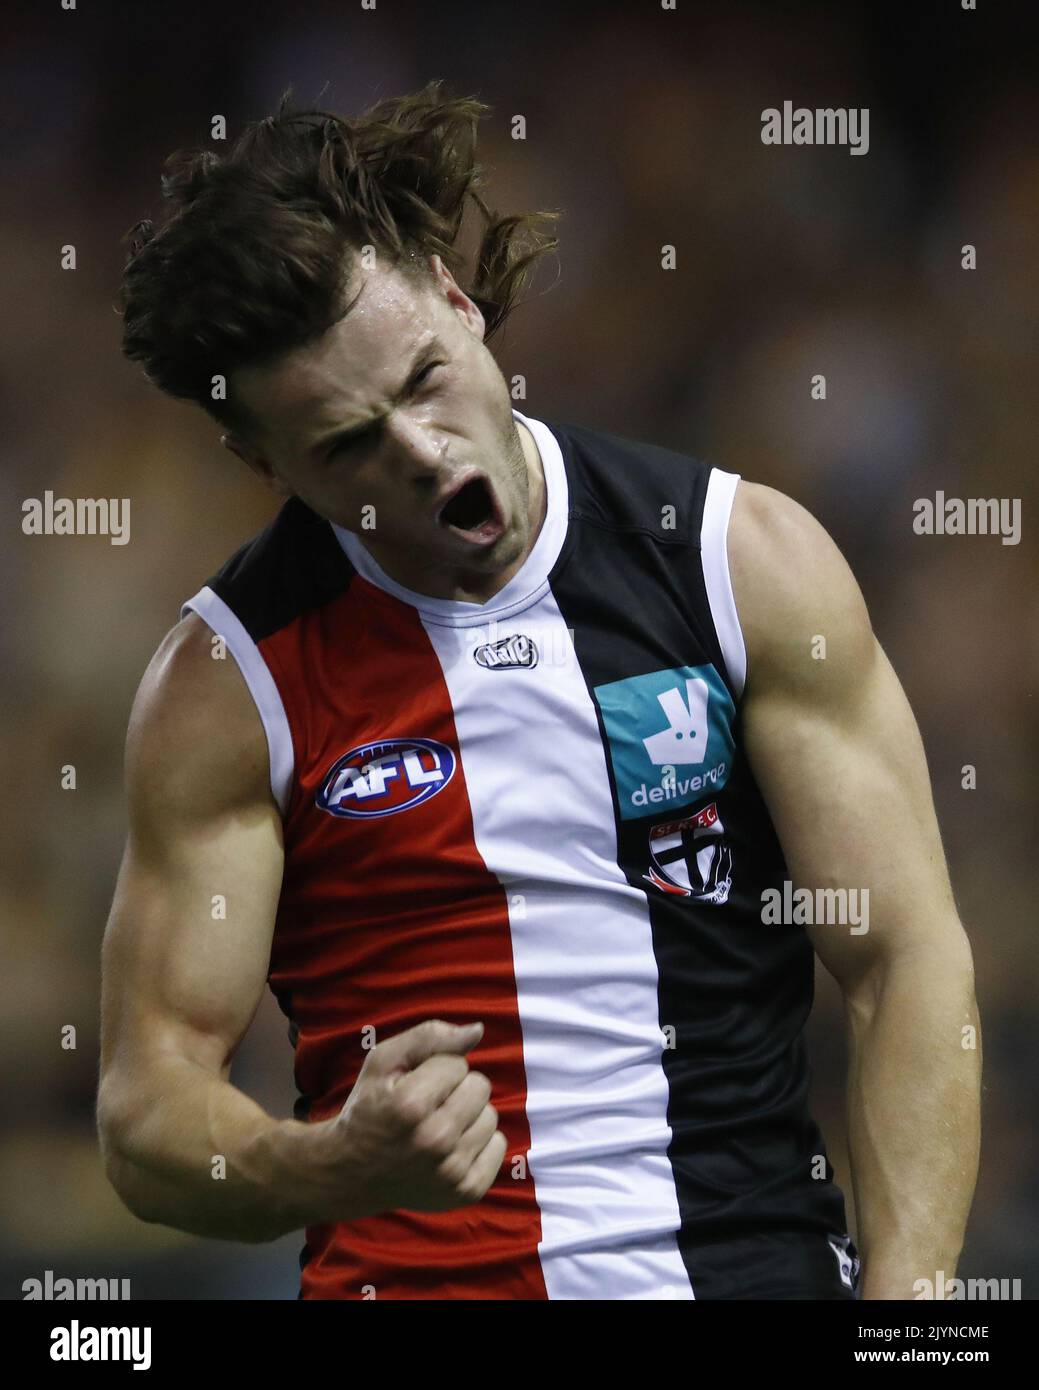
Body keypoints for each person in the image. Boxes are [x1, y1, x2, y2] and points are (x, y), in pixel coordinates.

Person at [98, 81, 980, 1300]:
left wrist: (915, 1307)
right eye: (348, 446)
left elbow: (901, 958)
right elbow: (148, 1108)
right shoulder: (226, 682)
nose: (420, 452)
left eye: (421, 379)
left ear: (460, 306)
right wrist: (325, 1165)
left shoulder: (736, 563)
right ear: (262, 461)